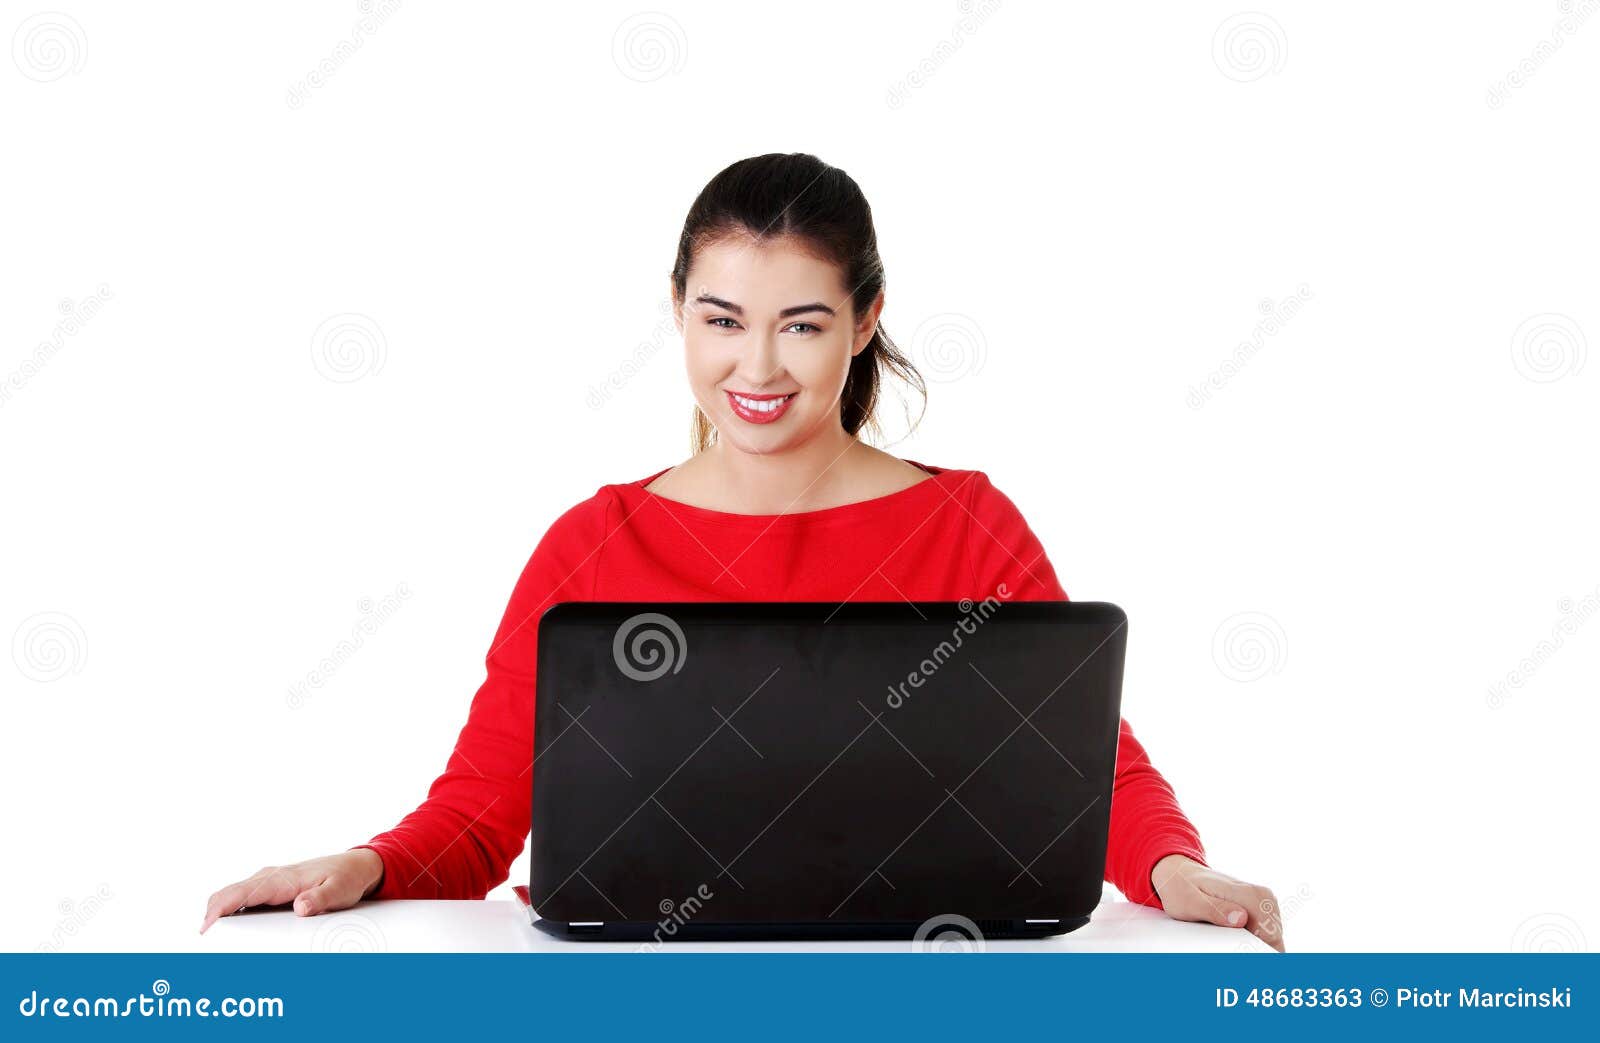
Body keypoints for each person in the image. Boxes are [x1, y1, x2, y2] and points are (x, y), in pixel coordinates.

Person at [201, 152, 1285, 952]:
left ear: (865, 321)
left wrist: (1172, 866)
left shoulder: (966, 525)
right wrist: (368, 862)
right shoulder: (592, 543)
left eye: (802, 324)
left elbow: (1086, 767)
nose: (755, 364)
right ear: (676, 312)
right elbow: (482, 810)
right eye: (721, 319)